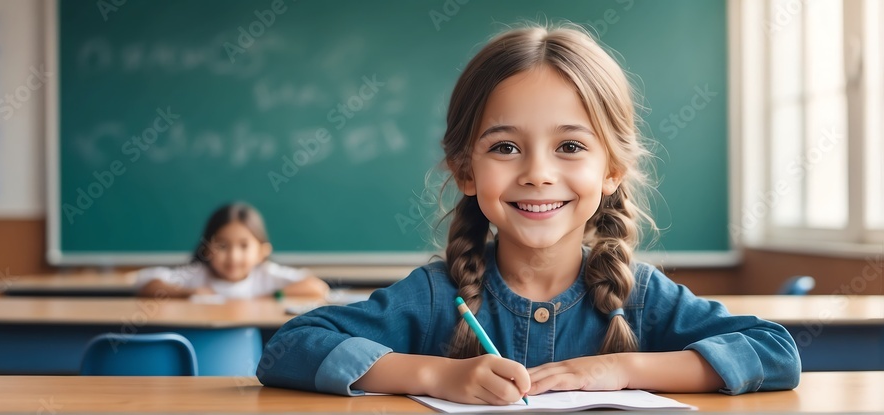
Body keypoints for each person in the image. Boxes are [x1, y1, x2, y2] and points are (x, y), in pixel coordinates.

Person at [256, 24, 800, 404]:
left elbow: (775, 353)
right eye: (505, 148)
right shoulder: (431, 296)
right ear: (465, 171)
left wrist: (620, 368)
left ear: (611, 170)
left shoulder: (643, 298)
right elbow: (288, 347)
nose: (538, 173)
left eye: (569, 147)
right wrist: (436, 375)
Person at [136, 202, 329, 299]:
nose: (233, 256)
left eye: (244, 246)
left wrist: (271, 296)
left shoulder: (266, 274)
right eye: (222, 246)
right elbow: (148, 284)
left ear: (262, 252)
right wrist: (189, 293)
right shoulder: (197, 275)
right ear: (207, 249)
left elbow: (317, 287)